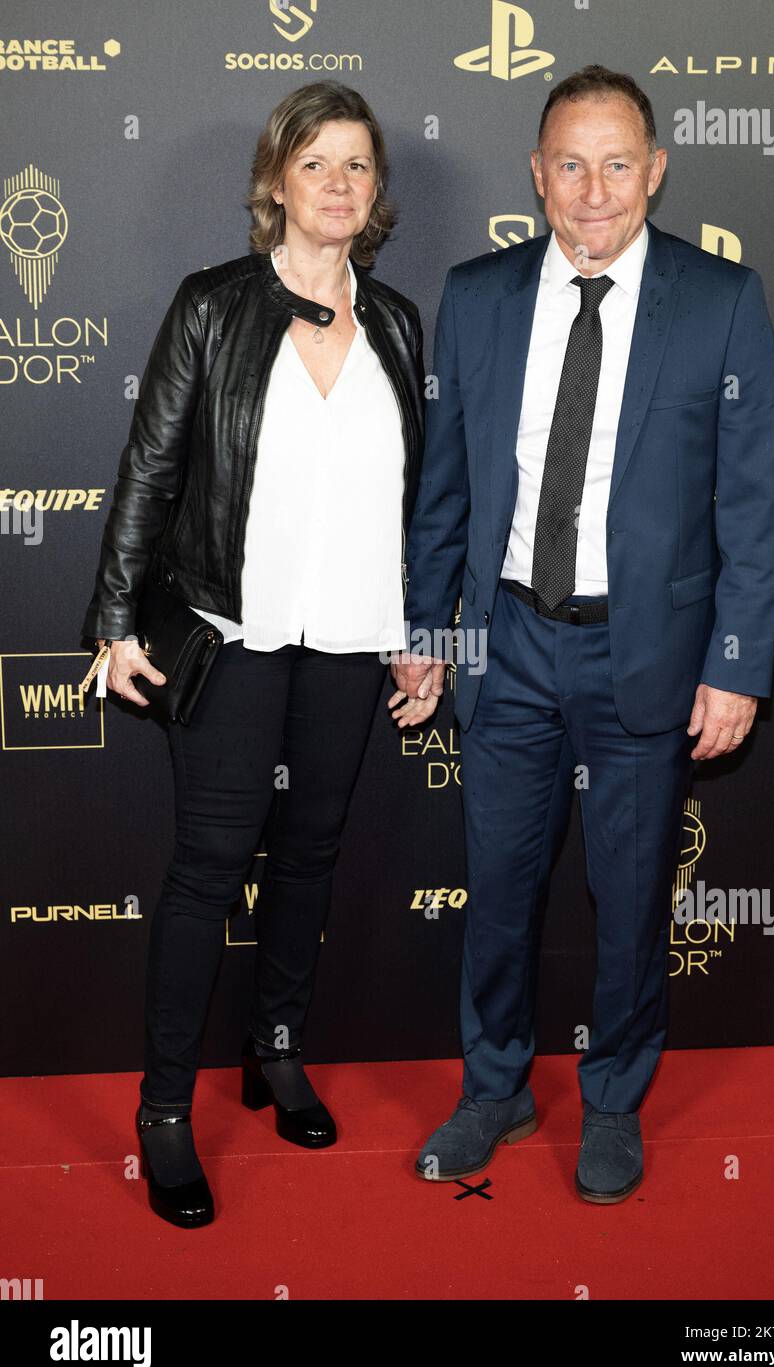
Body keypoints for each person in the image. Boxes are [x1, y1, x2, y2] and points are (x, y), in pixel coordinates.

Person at [390, 64, 774, 1202]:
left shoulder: (720, 300)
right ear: (537, 173)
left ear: (655, 171)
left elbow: (755, 509)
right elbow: (446, 493)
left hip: (647, 657)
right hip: (509, 642)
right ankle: (494, 1090)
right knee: (499, 889)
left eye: (618, 163)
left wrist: (734, 667)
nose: (594, 189)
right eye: (570, 163)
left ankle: (611, 1099)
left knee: (628, 899)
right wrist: (429, 631)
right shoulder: (475, 297)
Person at [81, 81, 424, 1228]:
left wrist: (417, 633)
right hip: (232, 639)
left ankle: (275, 1046)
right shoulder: (212, 306)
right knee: (203, 869)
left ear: (378, 193)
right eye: (316, 161)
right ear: (277, 179)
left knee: (311, 855)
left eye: (358, 166)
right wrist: (115, 619)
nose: (337, 182)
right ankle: (166, 1109)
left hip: (349, 640)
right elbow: (149, 470)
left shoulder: (398, 322)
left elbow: (417, 499)